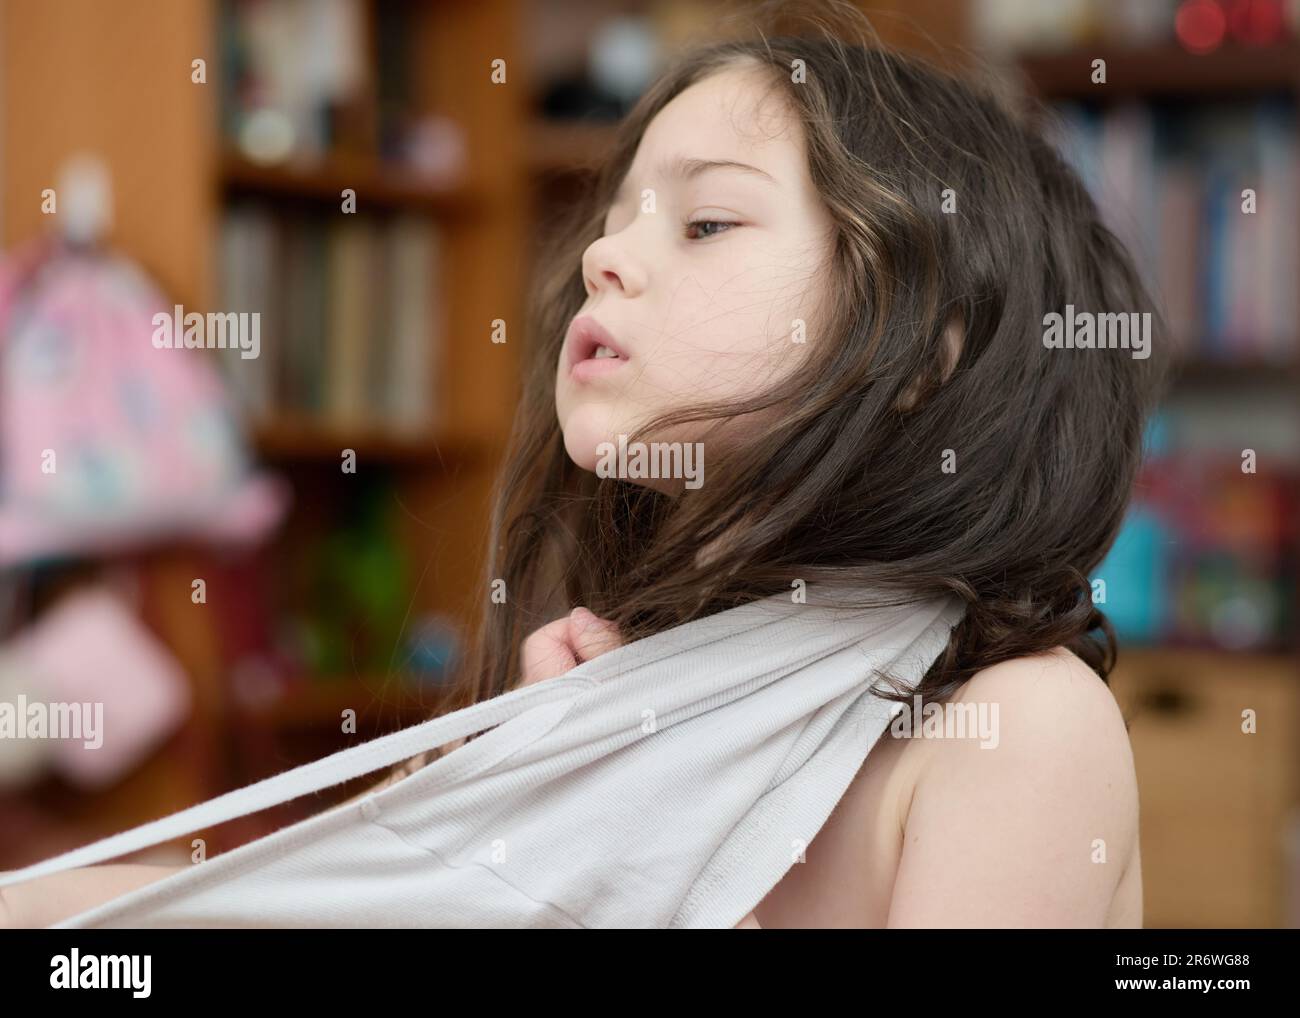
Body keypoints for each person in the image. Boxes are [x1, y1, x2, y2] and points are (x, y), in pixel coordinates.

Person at [3, 8, 1165, 928]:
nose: (606, 252)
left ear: (926, 352)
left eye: (706, 223)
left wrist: (617, 852)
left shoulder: (1020, 726)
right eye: (613, 217)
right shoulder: (627, 677)